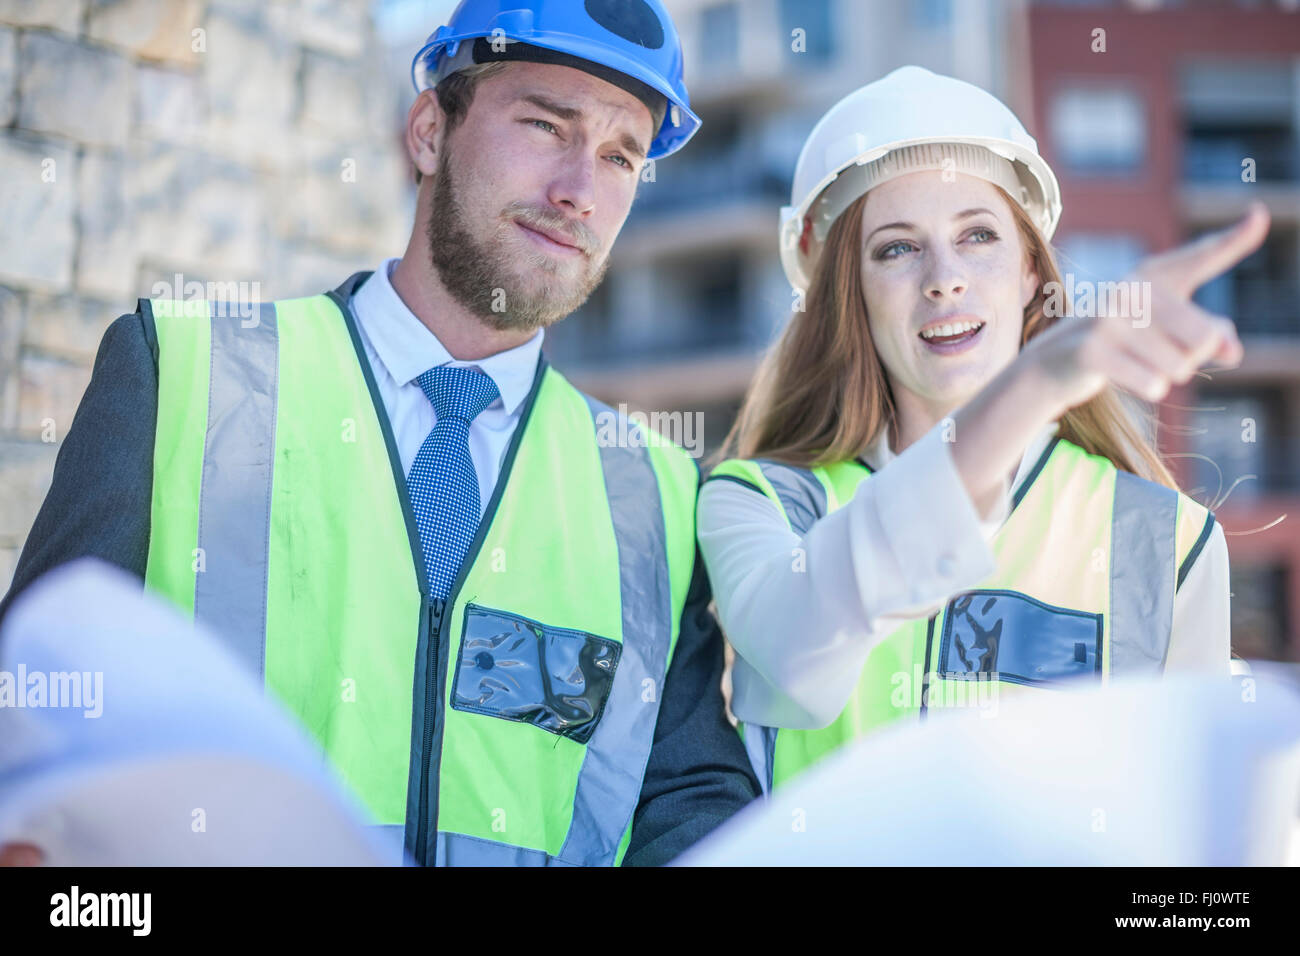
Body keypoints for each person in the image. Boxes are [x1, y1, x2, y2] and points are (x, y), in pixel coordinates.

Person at [0, 0, 760, 866]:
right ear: (430, 131)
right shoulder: (182, 375)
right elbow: (33, 735)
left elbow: (689, 809)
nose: (578, 191)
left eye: (621, 156)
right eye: (547, 125)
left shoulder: (651, 494)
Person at [698, 65, 1270, 794]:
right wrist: (1036, 383)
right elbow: (795, 648)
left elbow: (1191, 840)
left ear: (1032, 268)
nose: (944, 279)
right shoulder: (760, 500)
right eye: (896, 248)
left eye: (977, 235)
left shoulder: (1169, 542)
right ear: (848, 292)